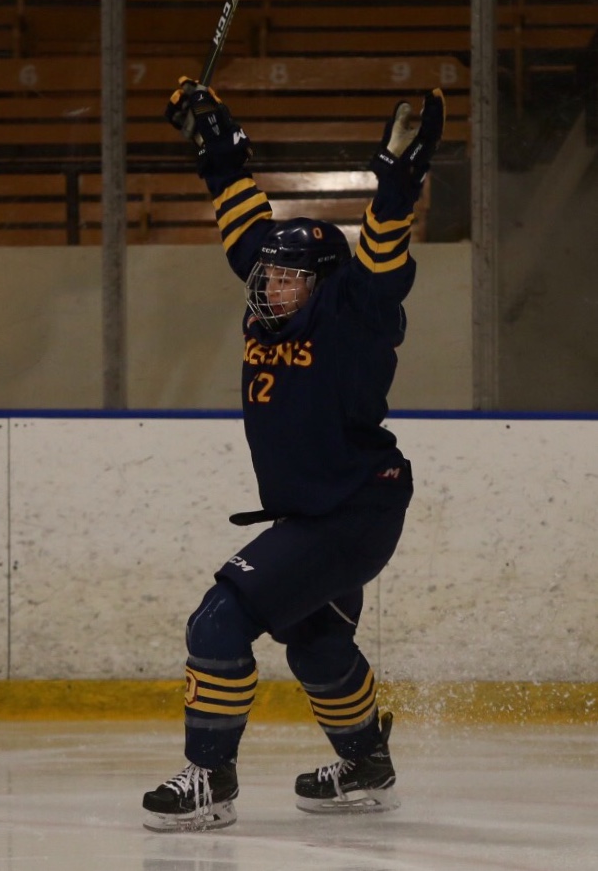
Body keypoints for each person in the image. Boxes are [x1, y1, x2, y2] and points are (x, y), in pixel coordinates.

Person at [141, 82, 445, 832]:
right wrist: (215, 144)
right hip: (336, 508)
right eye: (265, 276)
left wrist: (396, 183)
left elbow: (379, 257)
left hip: (348, 509)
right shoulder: (277, 296)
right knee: (316, 643)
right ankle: (365, 764)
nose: (265, 286)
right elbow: (245, 224)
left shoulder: (353, 314)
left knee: (217, 621)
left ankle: (209, 780)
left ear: (319, 285)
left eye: (282, 278)